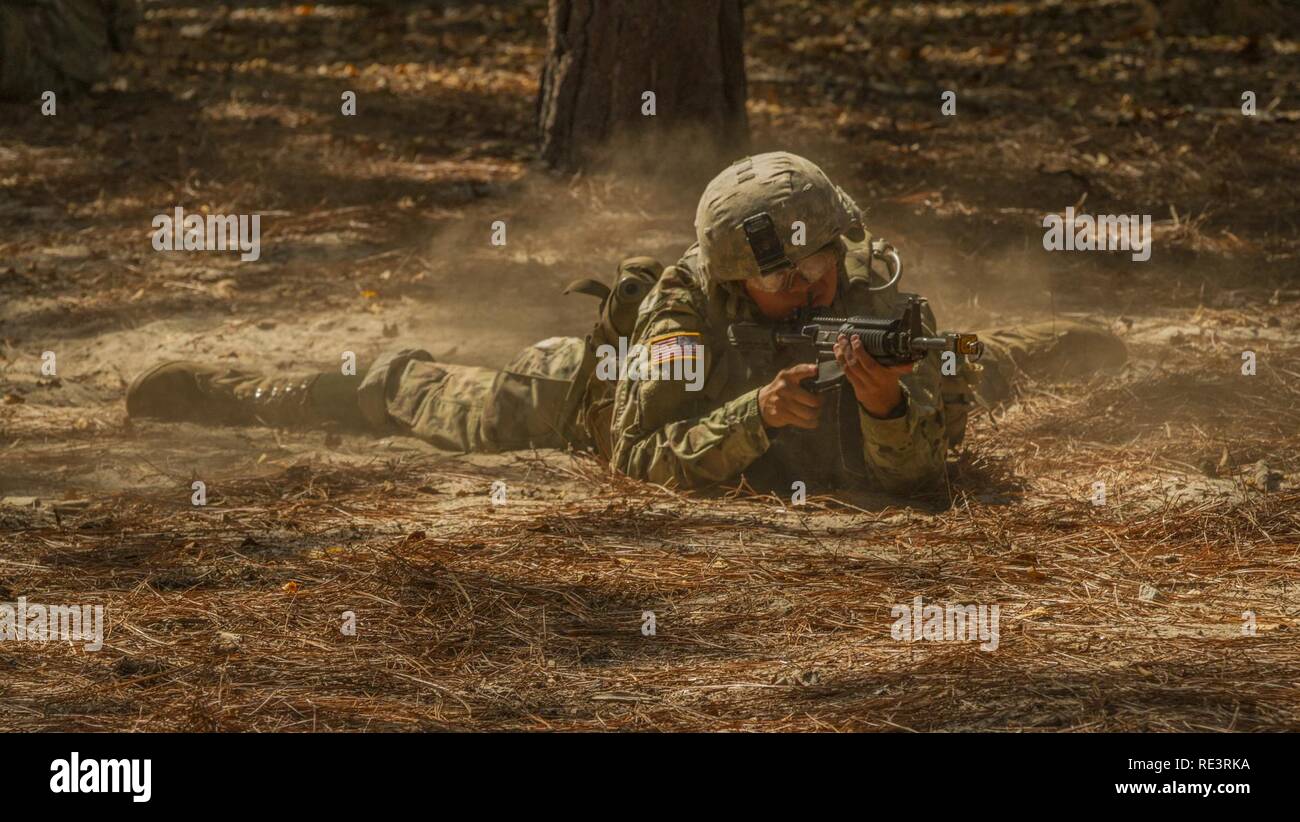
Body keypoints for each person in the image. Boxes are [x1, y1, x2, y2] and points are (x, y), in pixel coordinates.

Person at [127, 152, 1127, 494]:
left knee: (957, 366)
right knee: (416, 393)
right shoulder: (686, 309)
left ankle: (1028, 346)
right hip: (578, 402)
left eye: (826, 267)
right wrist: (754, 418)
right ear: (739, 282)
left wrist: (889, 405)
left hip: (828, 417)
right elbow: (641, 458)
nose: (819, 293)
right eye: (792, 286)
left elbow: (917, 477)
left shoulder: (874, 298)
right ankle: (247, 390)